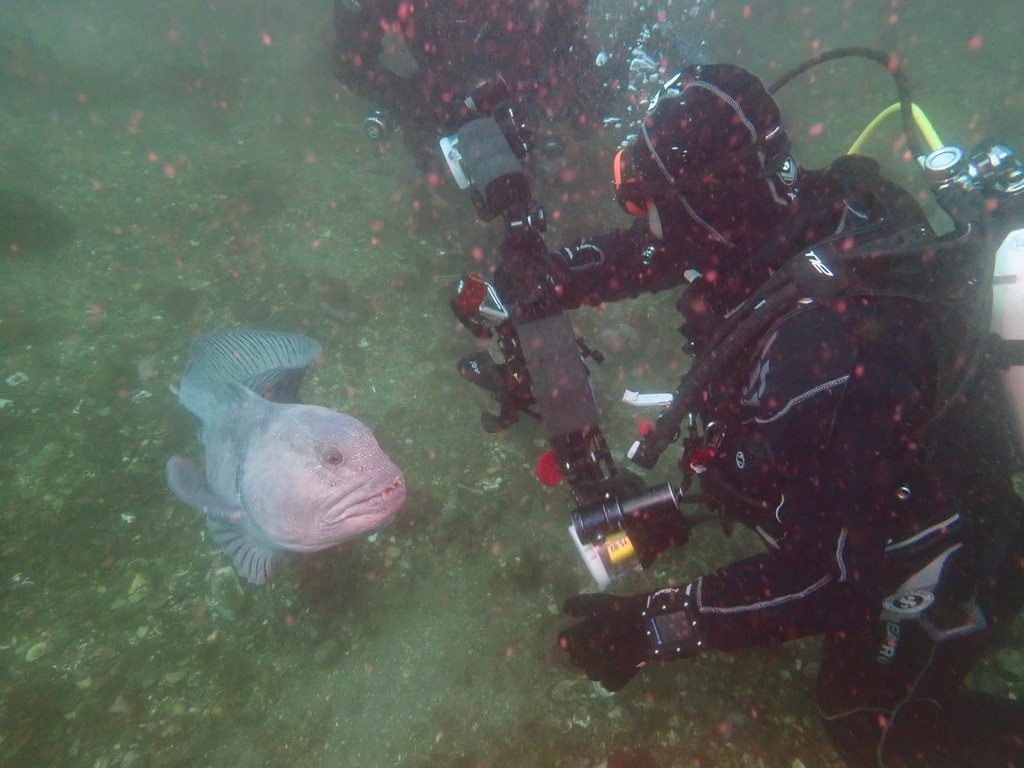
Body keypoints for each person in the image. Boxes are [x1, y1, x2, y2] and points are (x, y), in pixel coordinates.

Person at [498, 63, 1024, 766]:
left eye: (652, 198)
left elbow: (833, 579)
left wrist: (649, 629)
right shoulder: (809, 212)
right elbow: (660, 251)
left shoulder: (811, 353)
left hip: (958, 532)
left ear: (705, 205)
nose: (646, 220)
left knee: (868, 722)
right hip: (893, 463)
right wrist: (549, 281)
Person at [331, 0, 622, 171]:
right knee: (436, 159)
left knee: (591, 110)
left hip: (523, 62)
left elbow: (568, 15)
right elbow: (350, 63)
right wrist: (421, 107)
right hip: (444, 85)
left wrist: (546, 66)